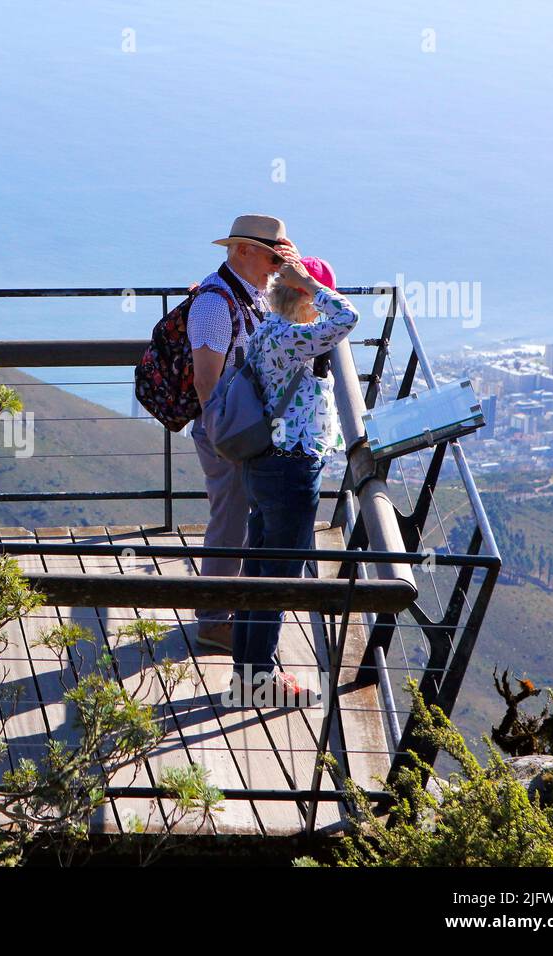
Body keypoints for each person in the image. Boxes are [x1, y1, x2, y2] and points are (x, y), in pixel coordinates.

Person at [226, 255, 359, 707]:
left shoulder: (268, 326)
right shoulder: (292, 337)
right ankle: (259, 681)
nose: (321, 311)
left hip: (264, 463)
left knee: (258, 570)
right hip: (290, 469)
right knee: (279, 577)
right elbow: (348, 317)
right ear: (305, 297)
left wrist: (297, 274)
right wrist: (311, 283)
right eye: (316, 300)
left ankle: (246, 675)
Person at [189, 215, 299, 651]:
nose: (277, 264)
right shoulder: (217, 303)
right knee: (230, 523)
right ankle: (213, 620)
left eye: (281, 255)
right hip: (228, 435)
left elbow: (304, 311)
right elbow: (205, 381)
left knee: (240, 521)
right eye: (273, 255)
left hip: (245, 431)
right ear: (242, 250)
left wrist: (296, 272)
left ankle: (228, 608)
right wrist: (225, 435)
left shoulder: (251, 292)